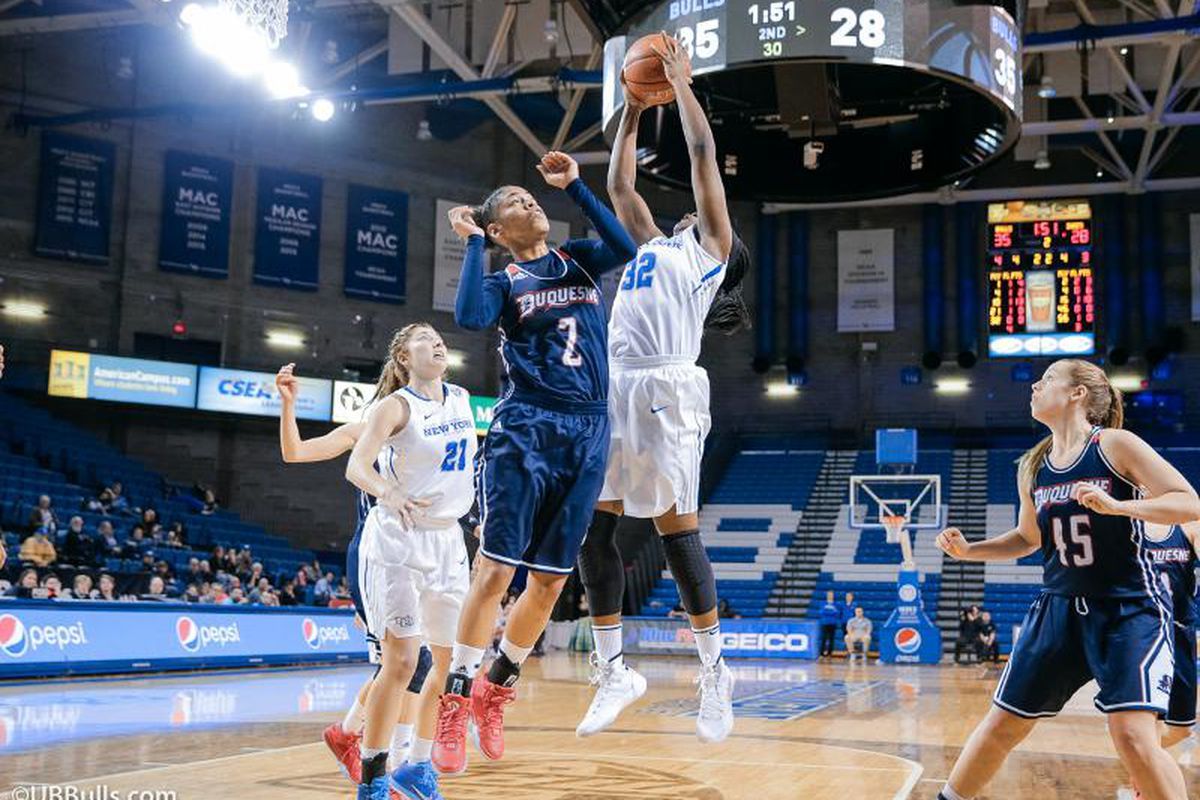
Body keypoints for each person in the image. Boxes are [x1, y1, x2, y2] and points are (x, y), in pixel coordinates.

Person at [432, 147, 637, 775]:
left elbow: (625, 245)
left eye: (532, 197)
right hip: (527, 428)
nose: (531, 202)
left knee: (550, 580)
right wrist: (471, 246)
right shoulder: (501, 280)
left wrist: (577, 186)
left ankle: (498, 684)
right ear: (498, 230)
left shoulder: (577, 259)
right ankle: (456, 698)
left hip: (589, 428)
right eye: (517, 203)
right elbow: (467, 317)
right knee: (495, 571)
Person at [573, 33, 751, 743]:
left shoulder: (707, 254)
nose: (687, 210)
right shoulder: (653, 247)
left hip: (670, 391)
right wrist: (632, 110)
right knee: (598, 528)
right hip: (616, 386)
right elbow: (621, 188)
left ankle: (715, 672)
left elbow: (704, 157)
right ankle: (612, 669)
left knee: (677, 535)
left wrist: (681, 89)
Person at [935, 359, 1199, 800]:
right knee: (1002, 723)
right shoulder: (1034, 465)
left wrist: (1119, 508)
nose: (1035, 386)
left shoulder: (1115, 445)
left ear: (1077, 393)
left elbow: (1188, 502)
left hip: (1128, 607)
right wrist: (970, 551)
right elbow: (1026, 538)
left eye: (1048, 380)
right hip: (1057, 608)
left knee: (1134, 737)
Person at [345, 322, 478, 800]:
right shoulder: (394, 407)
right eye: (424, 337)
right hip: (400, 541)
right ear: (403, 357)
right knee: (401, 664)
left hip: (448, 542)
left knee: (442, 663)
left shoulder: (462, 398)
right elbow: (357, 466)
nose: (437, 341)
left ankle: (417, 766)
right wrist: (389, 490)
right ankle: (374, 776)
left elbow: (464, 468)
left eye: (439, 336)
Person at [1145, 519, 1199, 752]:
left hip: (1179, 631)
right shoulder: (1124, 527)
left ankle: (1140, 756)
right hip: (1142, 632)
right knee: (1147, 722)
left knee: (1182, 728)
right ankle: (1142, 773)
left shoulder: (1190, 528)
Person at [818, 590, 841, 658]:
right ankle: (821, 653)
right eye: (829, 595)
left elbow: (837, 613)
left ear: (833, 596)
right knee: (824, 638)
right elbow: (821, 613)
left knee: (831, 639)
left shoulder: (836, 604)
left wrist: (828, 611)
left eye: (831, 595)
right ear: (827, 595)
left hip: (833, 623)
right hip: (825, 623)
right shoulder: (823, 603)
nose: (830, 596)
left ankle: (829, 654)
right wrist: (832, 612)